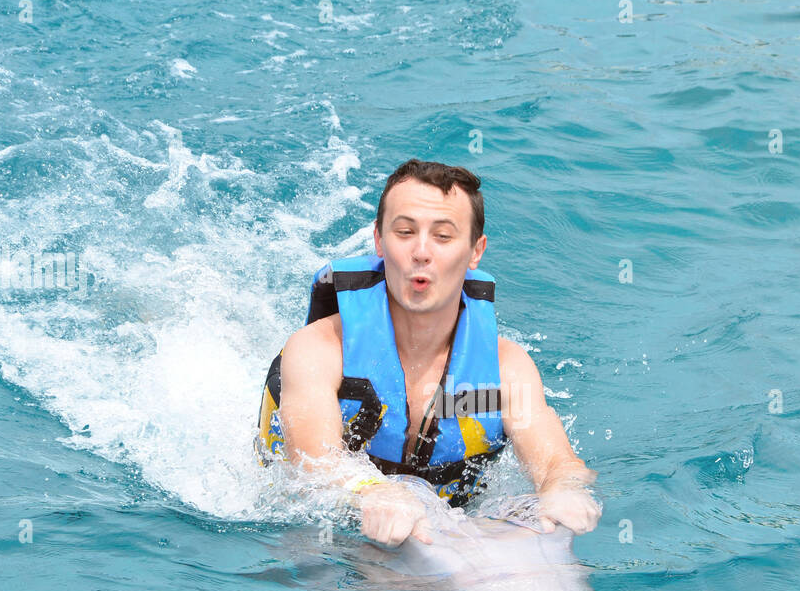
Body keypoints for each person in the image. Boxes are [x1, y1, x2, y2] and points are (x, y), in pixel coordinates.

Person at [255, 158, 600, 548]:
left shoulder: (506, 370)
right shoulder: (319, 349)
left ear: (475, 251)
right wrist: (370, 491)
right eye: (404, 232)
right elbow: (314, 463)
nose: (421, 252)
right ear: (380, 242)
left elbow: (557, 462)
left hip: (438, 519)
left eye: (443, 236)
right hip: (314, 529)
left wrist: (564, 489)